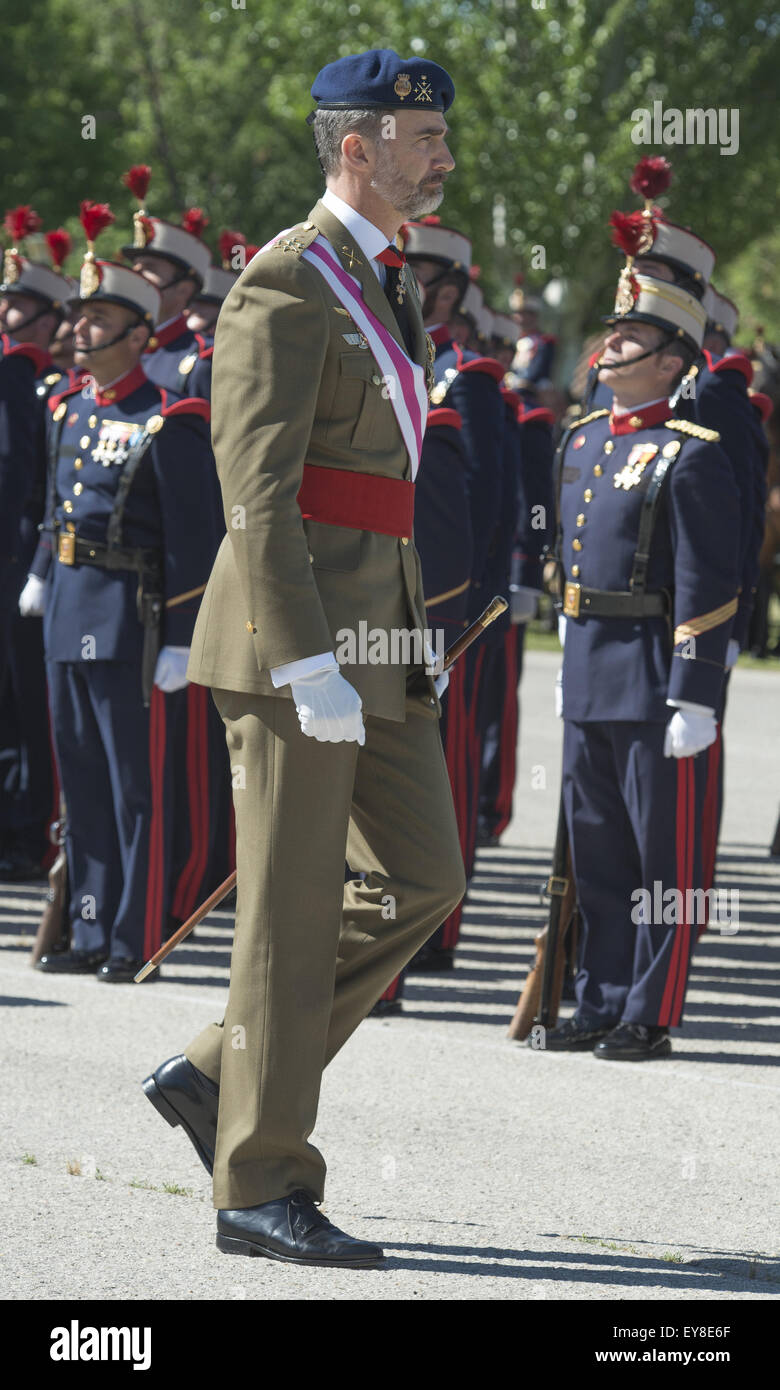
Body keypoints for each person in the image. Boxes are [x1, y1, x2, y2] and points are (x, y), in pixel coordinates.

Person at [142, 48, 465, 1268]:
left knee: (425, 877)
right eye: (421, 136)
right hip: (303, 642)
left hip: (379, 633)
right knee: (286, 916)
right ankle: (260, 1184)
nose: (440, 157)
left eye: (438, 136)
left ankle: (216, 1073)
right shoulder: (286, 282)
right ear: (357, 148)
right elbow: (257, 495)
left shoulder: (385, 279)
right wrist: (300, 658)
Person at [542, 237, 739, 1062]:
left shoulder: (693, 453)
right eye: (613, 329)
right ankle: (600, 995)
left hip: (657, 674)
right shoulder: (584, 440)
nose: (611, 344)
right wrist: (564, 645)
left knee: (667, 861)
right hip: (591, 666)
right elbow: (570, 556)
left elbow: (708, 577)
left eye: (631, 335)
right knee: (599, 849)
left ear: (674, 361)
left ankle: (649, 1009)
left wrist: (698, 693)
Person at [27, 202, 218, 980]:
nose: (79, 331)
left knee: (133, 784)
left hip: (131, 619)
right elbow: (51, 509)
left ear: (140, 333)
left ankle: (135, 938)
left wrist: (182, 637)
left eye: (98, 319)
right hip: (69, 604)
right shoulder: (69, 409)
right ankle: (89, 926)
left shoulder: (169, 420)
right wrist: (42, 577)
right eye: (78, 318)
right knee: (81, 782)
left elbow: (195, 541)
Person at [0, 215, 70, 878]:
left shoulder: (26, 376)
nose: (6, 310)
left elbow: (17, 473)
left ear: (47, 319)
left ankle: (29, 831)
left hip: (22, 553)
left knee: (26, 698)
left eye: (18, 303)